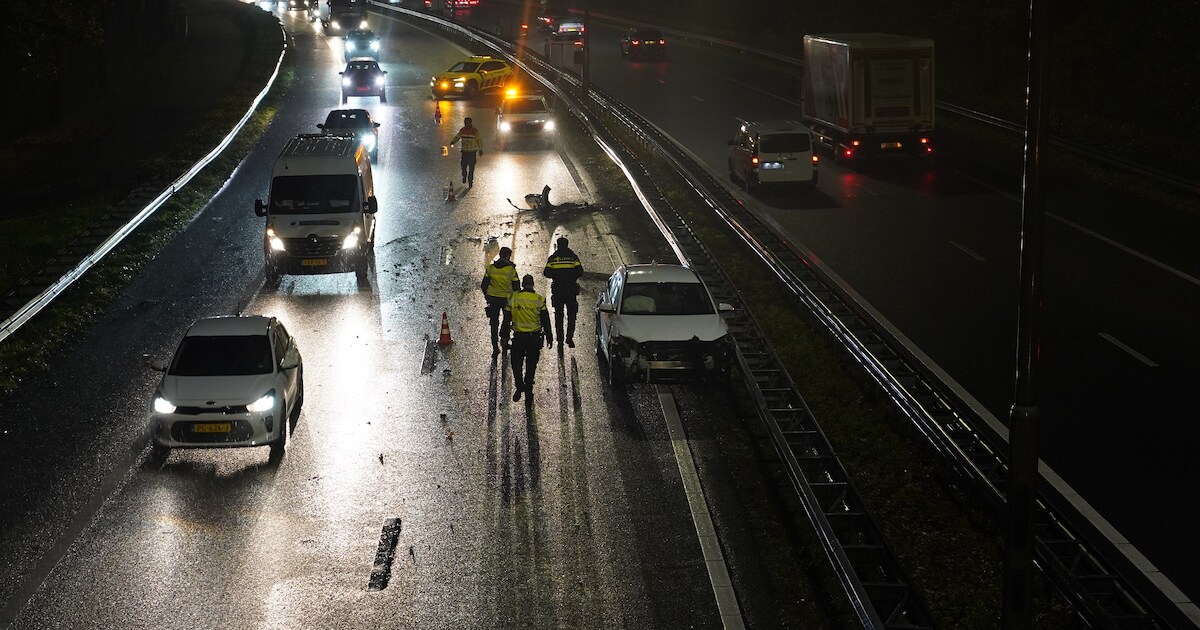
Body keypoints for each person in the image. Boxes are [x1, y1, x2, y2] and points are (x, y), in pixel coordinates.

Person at [504, 274, 553, 402]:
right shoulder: (539, 299)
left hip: (518, 338)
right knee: (531, 365)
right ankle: (529, 390)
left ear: (522, 284)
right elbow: (545, 320)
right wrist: (549, 336)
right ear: (533, 284)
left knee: (516, 363)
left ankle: (520, 385)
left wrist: (504, 336)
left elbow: (506, 320)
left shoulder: (513, 298)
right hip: (534, 339)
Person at [542, 236, 583, 349]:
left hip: (558, 290)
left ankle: (559, 338)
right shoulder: (573, 258)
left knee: (558, 315)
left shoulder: (553, 258)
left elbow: (546, 273)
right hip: (570, 290)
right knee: (572, 315)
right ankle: (569, 338)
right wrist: (571, 276)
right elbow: (580, 272)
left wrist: (557, 275)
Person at [481, 247, 520, 356]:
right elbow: (516, 286)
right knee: (507, 320)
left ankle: (495, 346)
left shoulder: (491, 268)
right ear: (507, 256)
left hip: (493, 299)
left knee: (494, 323)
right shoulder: (511, 270)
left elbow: (484, 285)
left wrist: (487, 297)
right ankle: (504, 340)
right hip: (507, 299)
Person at [448, 117, 483, 187]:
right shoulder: (462, 130)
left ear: (470, 123)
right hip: (464, 152)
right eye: (465, 122)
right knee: (463, 167)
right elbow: (457, 137)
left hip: (472, 153)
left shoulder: (475, 131)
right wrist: (453, 142)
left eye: (467, 122)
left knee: (471, 168)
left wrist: (480, 149)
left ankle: (470, 181)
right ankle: (464, 176)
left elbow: (479, 141)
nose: (465, 124)